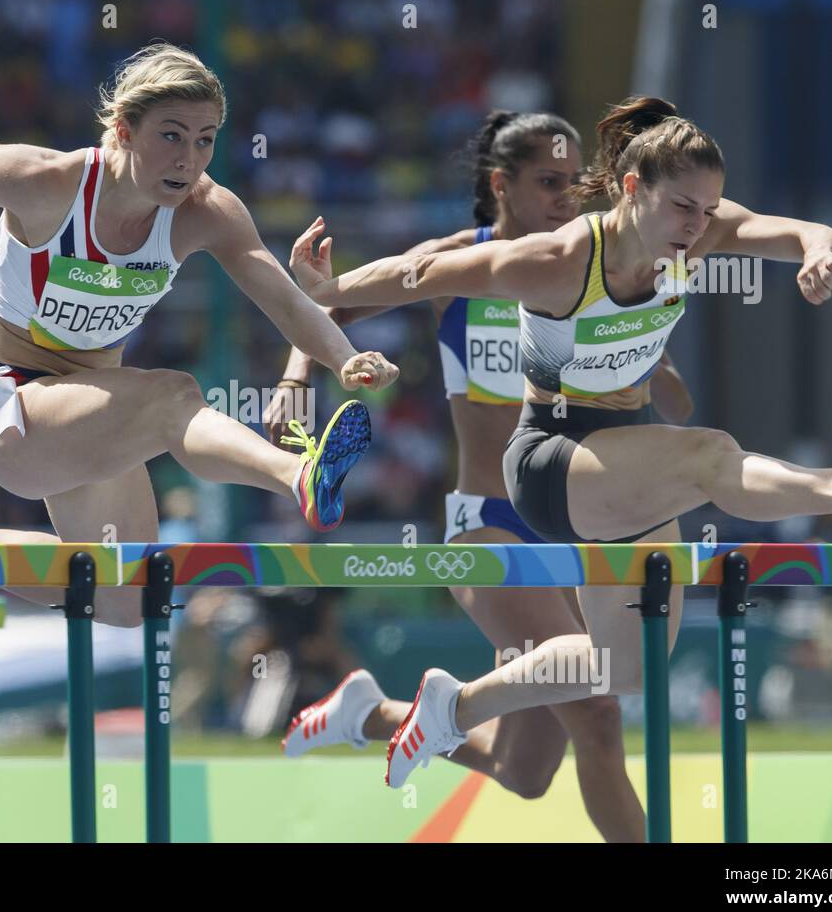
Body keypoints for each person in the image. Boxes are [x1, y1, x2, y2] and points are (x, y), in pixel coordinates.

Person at [288, 96, 832, 789]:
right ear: (633, 190)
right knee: (707, 455)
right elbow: (420, 273)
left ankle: (451, 707)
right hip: (549, 459)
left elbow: (811, 232)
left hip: (624, 461)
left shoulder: (696, 236)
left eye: (708, 211)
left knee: (622, 670)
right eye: (682, 209)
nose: (697, 228)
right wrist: (329, 288)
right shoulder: (561, 260)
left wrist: (820, 252)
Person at [0, 43, 399, 628]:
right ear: (124, 130)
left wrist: (343, 357)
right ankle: (298, 476)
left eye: (205, 140)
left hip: (97, 419)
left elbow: (284, 297)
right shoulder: (47, 183)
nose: (189, 160)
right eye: (172, 136)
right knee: (172, 395)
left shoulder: (207, 211)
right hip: (13, 412)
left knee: (127, 594)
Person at [273, 111, 690, 841]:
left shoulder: (590, 271)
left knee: (526, 773)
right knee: (598, 710)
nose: (568, 198)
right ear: (502, 184)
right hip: (492, 525)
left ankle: (370, 714)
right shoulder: (461, 262)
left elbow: (666, 392)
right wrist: (295, 375)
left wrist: (651, 360)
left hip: (578, 525)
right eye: (549, 183)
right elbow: (326, 300)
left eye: (576, 183)